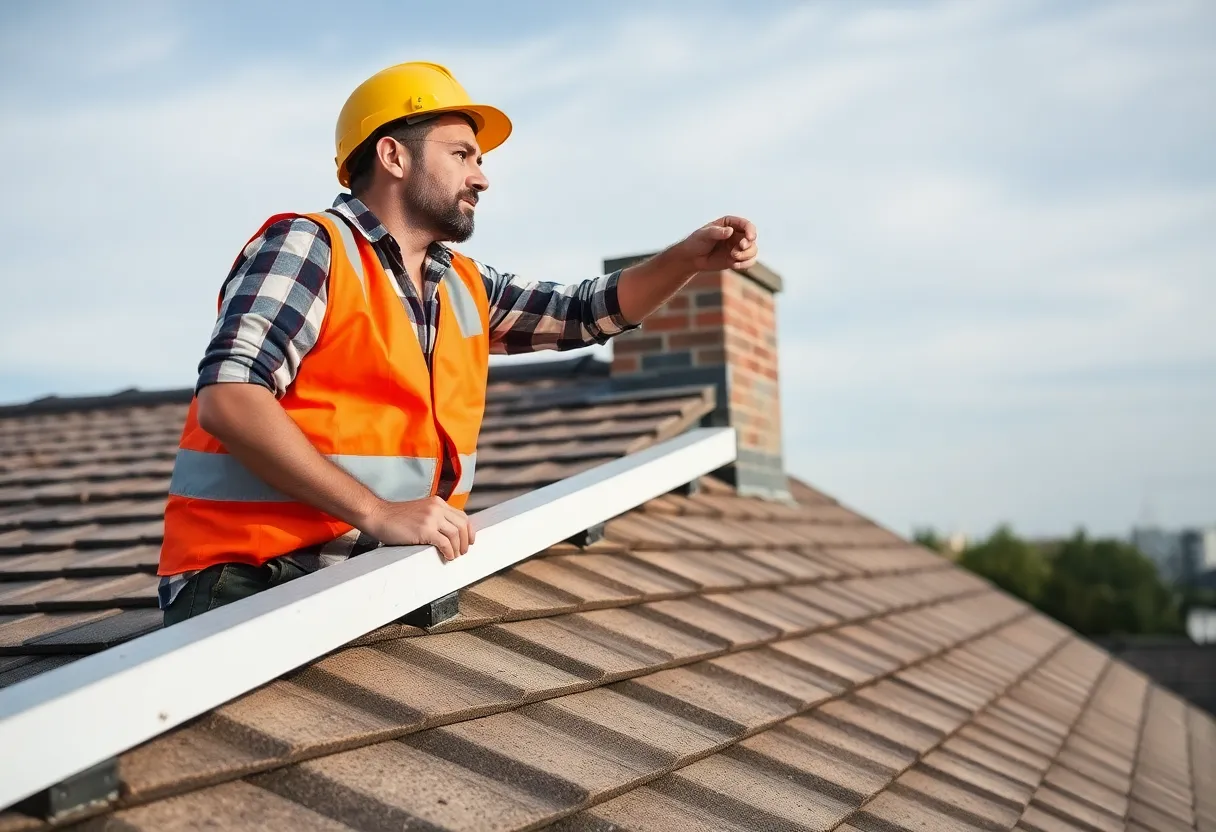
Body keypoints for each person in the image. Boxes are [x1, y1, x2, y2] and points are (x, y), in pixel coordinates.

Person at [157, 61, 758, 625]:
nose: (482, 175)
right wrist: (377, 513)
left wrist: (686, 260)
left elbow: (583, 312)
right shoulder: (309, 246)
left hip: (368, 572)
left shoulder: (461, 283)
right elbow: (232, 397)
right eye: (462, 154)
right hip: (246, 580)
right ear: (393, 156)